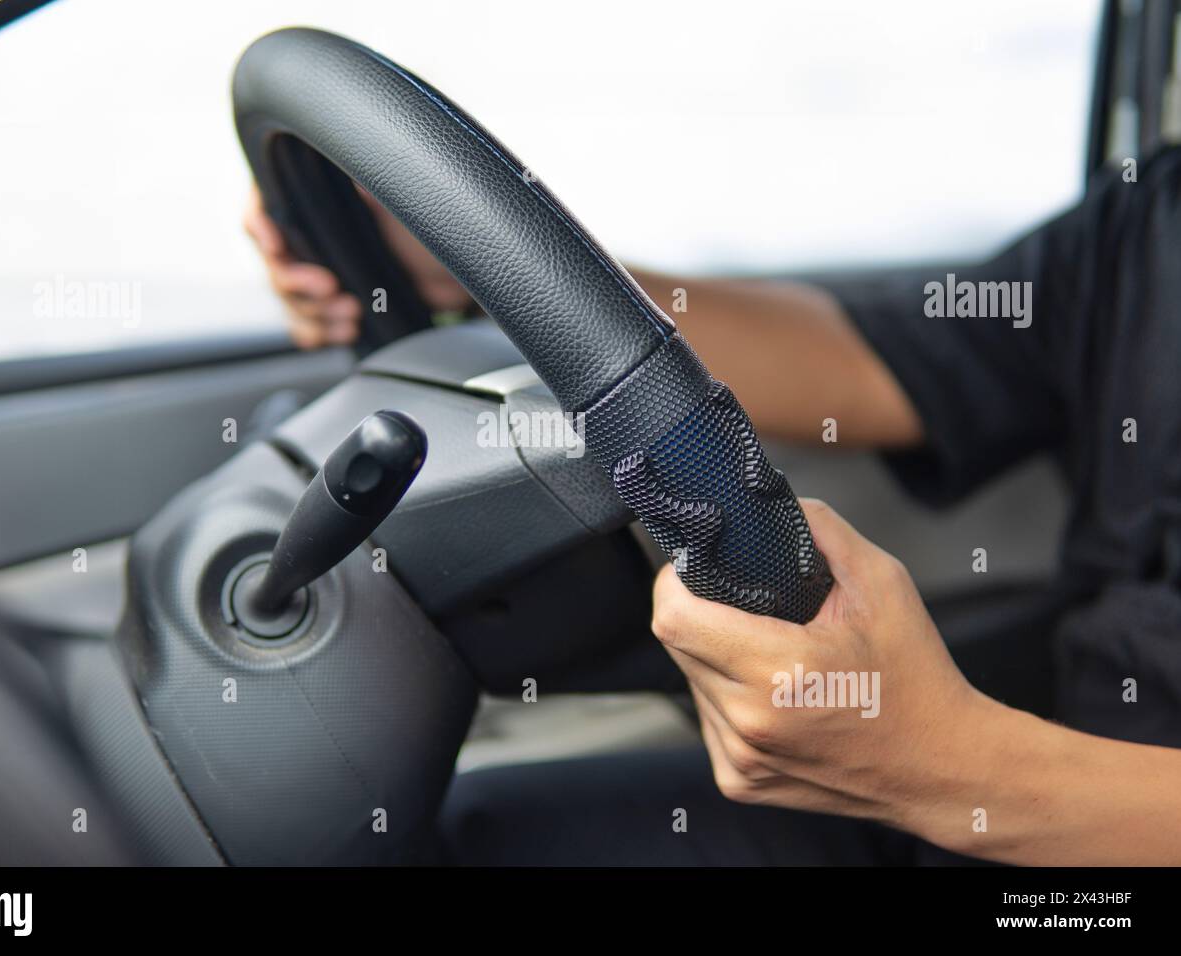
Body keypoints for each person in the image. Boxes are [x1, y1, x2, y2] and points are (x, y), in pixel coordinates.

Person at [243, 145, 1181, 866]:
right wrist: (471, 261)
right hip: (1001, 792)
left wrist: (955, 767)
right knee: (465, 840)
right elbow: (860, 359)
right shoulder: (1153, 216)